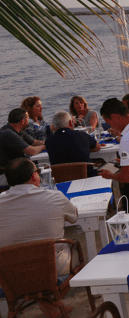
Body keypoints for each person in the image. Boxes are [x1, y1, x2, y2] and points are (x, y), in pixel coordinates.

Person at [0, 158, 78, 297]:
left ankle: (46, 304)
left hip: (10, 272)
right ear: (34, 176)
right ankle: (51, 301)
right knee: (72, 247)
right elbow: (74, 217)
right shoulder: (55, 197)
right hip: (53, 269)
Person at [0, 109, 45, 180]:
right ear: (23, 121)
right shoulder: (8, 133)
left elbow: (35, 142)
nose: (28, 121)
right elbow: (31, 151)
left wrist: (50, 142)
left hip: (16, 170)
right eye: (27, 119)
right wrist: (43, 147)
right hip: (5, 174)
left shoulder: (19, 131)